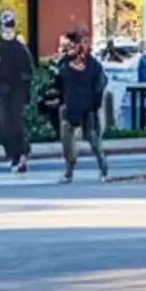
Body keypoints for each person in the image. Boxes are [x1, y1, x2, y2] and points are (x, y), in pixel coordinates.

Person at [58, 33, 109, 182]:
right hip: (75, 106)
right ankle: (71, 169)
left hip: (85, 107)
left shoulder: (92, 65)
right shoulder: (67, 63)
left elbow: (100, 84)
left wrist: (95, 104)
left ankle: (102, 167)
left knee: (90, 137)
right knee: (69, 138)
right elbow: (60, 82)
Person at [0, 10, 35, 173]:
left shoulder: (20, 49)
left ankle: (22, 154)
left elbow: (28, 72)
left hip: (16, 91)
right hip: (2, 90)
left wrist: (23, 88)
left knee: (16, 123)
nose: (7, 30)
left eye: (9, 26)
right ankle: (14, 156)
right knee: (5, 124)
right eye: (5, 26)